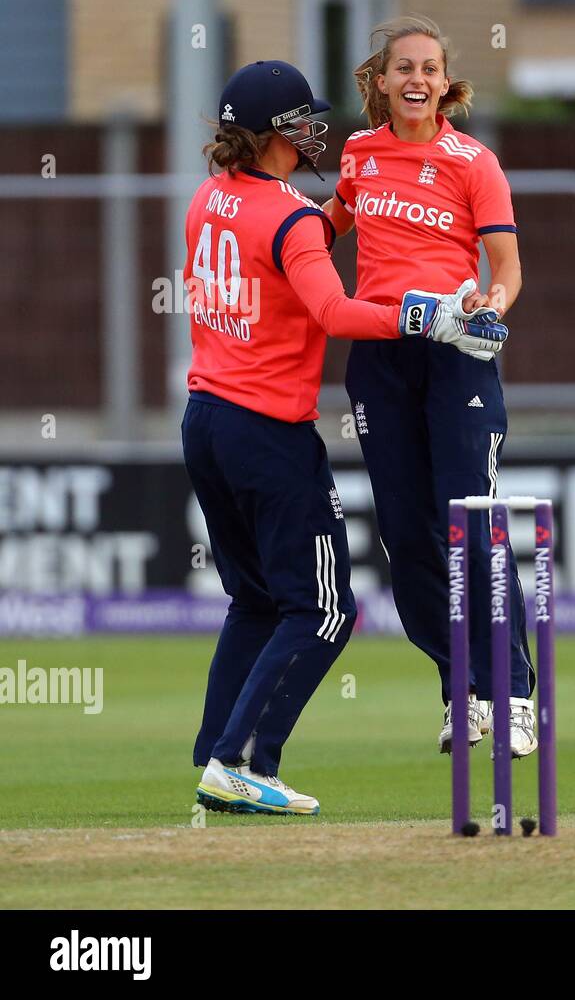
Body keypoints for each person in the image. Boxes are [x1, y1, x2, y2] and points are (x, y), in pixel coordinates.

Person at [185, 60, 506, 815]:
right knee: (324, 610)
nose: (314, 132)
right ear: (272, 136)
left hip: (204, 422)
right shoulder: (289, 216)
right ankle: (237, 760)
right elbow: (334, 312)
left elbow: (294, 252)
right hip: (267, 430)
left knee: (253, 601)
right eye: (300, 122)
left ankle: (215, 759)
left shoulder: (208, 200)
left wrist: (352, 213)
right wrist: (425, 316)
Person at [320, 16, 535, 759]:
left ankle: (512, 694)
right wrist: (271, 232)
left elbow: (506, 270)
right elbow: (328, 231)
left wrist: (489, 307)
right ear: (380, 81)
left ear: (446, 83)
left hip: (457, 356)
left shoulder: (474, 161)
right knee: (407, 538)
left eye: (429, 69)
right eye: (402, 68)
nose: (416, 80)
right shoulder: (358, 154)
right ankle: (461, 691)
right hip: (381, 358)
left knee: (468, 523)